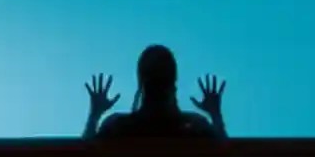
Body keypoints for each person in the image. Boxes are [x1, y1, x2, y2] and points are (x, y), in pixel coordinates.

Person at [83, 45, 227, 140]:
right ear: (173, 82)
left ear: (141, 82)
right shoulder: (197, 127)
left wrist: (94, 115)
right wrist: (216, 115)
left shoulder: (116, 127)